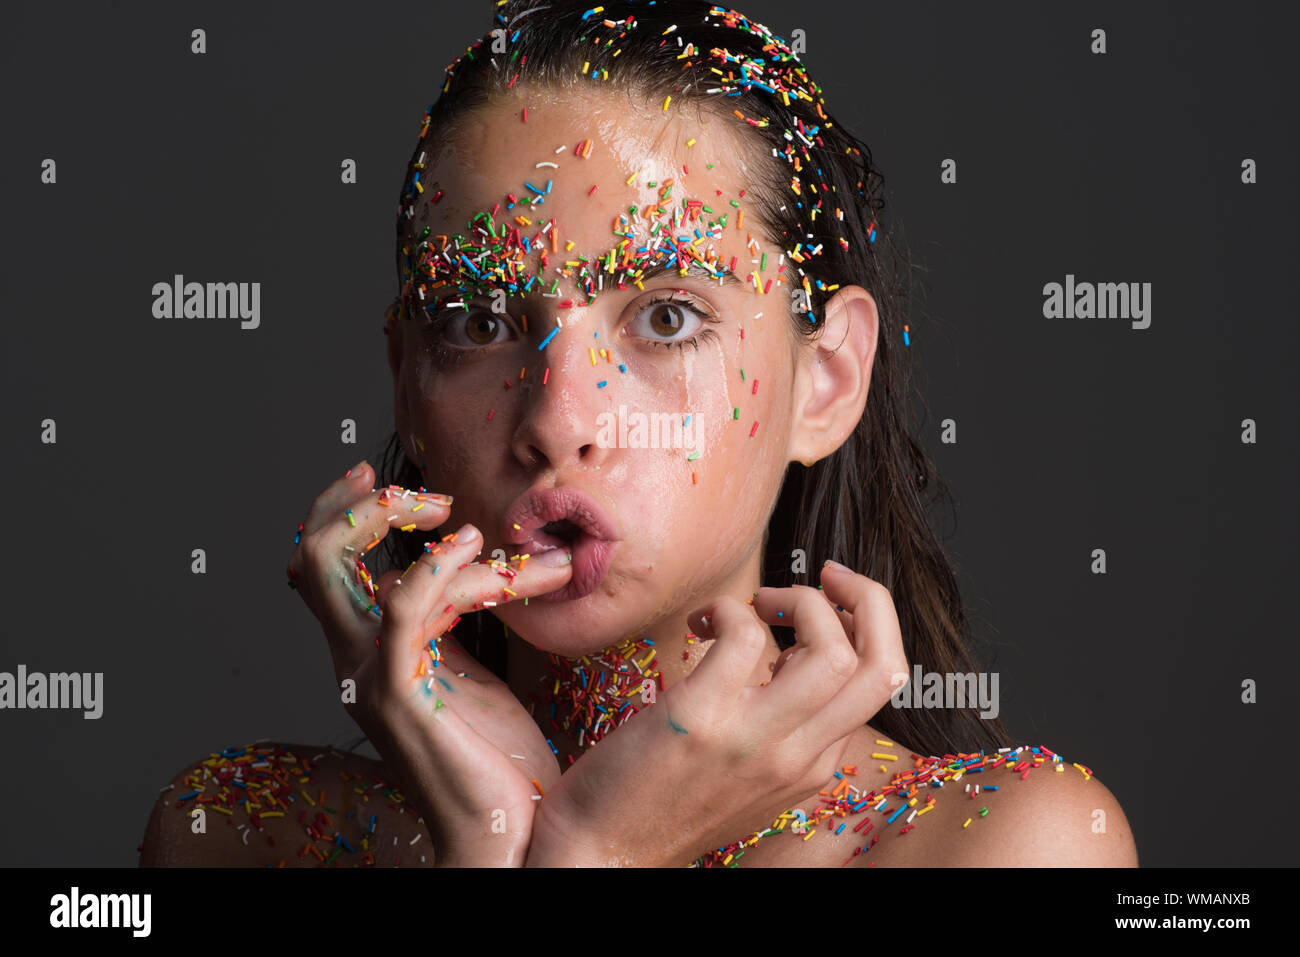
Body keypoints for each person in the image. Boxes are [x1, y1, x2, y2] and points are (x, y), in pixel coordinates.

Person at [139, 0, 1137, 867]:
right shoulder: (237, 836)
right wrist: (496, 845)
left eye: (666, 316)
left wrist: (593, 854)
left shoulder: (993, 844)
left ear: (825, 381)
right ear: (407, 382)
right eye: (478, 323)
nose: (557, 422)